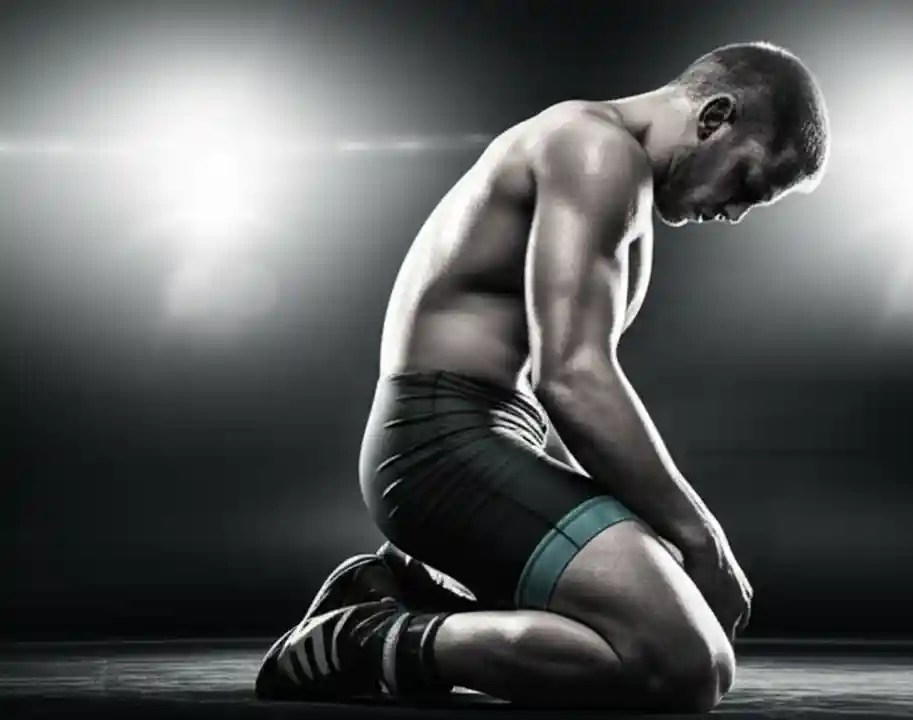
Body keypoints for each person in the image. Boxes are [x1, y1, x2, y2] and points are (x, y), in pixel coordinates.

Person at [255, 40, 829, 712]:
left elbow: (546, 392)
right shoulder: (593, 150)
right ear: (715, 117)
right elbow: (573, 379)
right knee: (685, 667)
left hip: (491, 441)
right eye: (747, 182)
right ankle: (366, 639)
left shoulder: (615, 169)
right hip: (438, 447)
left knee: (662, 590)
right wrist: (704, 537)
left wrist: (658, 542)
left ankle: (410, 583)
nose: (733, 212)